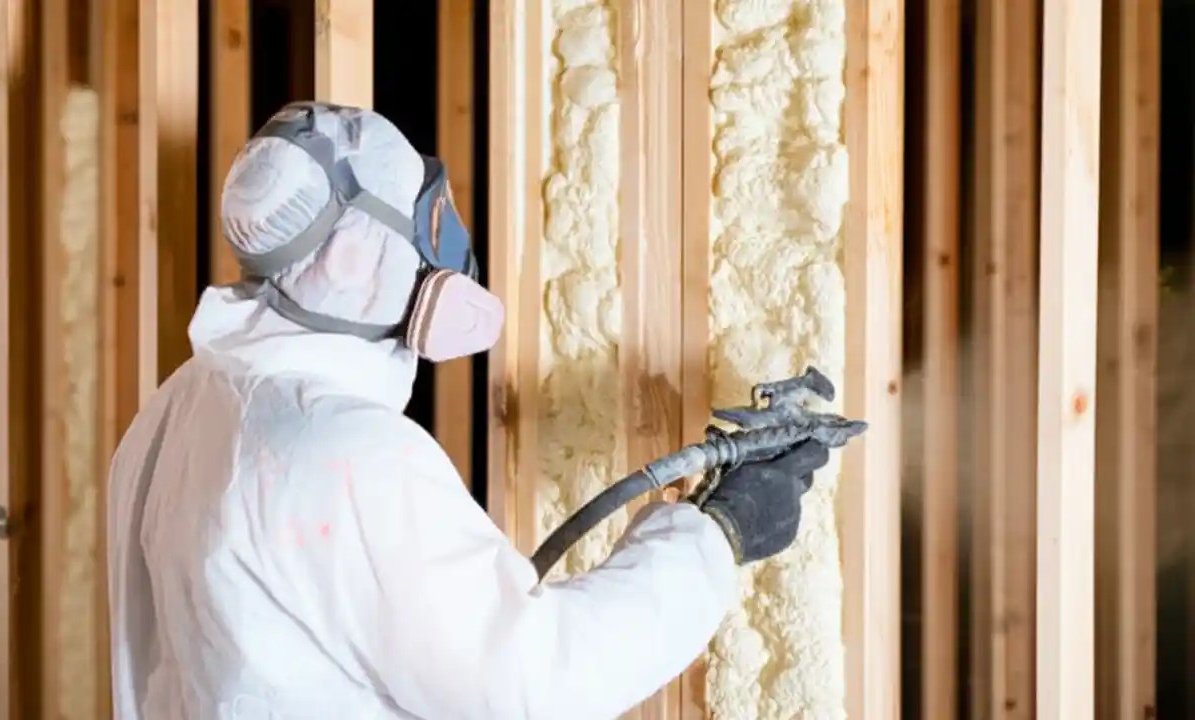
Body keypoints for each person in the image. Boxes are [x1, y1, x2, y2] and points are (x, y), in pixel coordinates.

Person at [107, 102, 831, 719]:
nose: (445, 244)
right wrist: (716, 534)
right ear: (357, 256)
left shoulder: (175, 411)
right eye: (429, 218)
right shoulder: (346, 454)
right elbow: (531, 678)